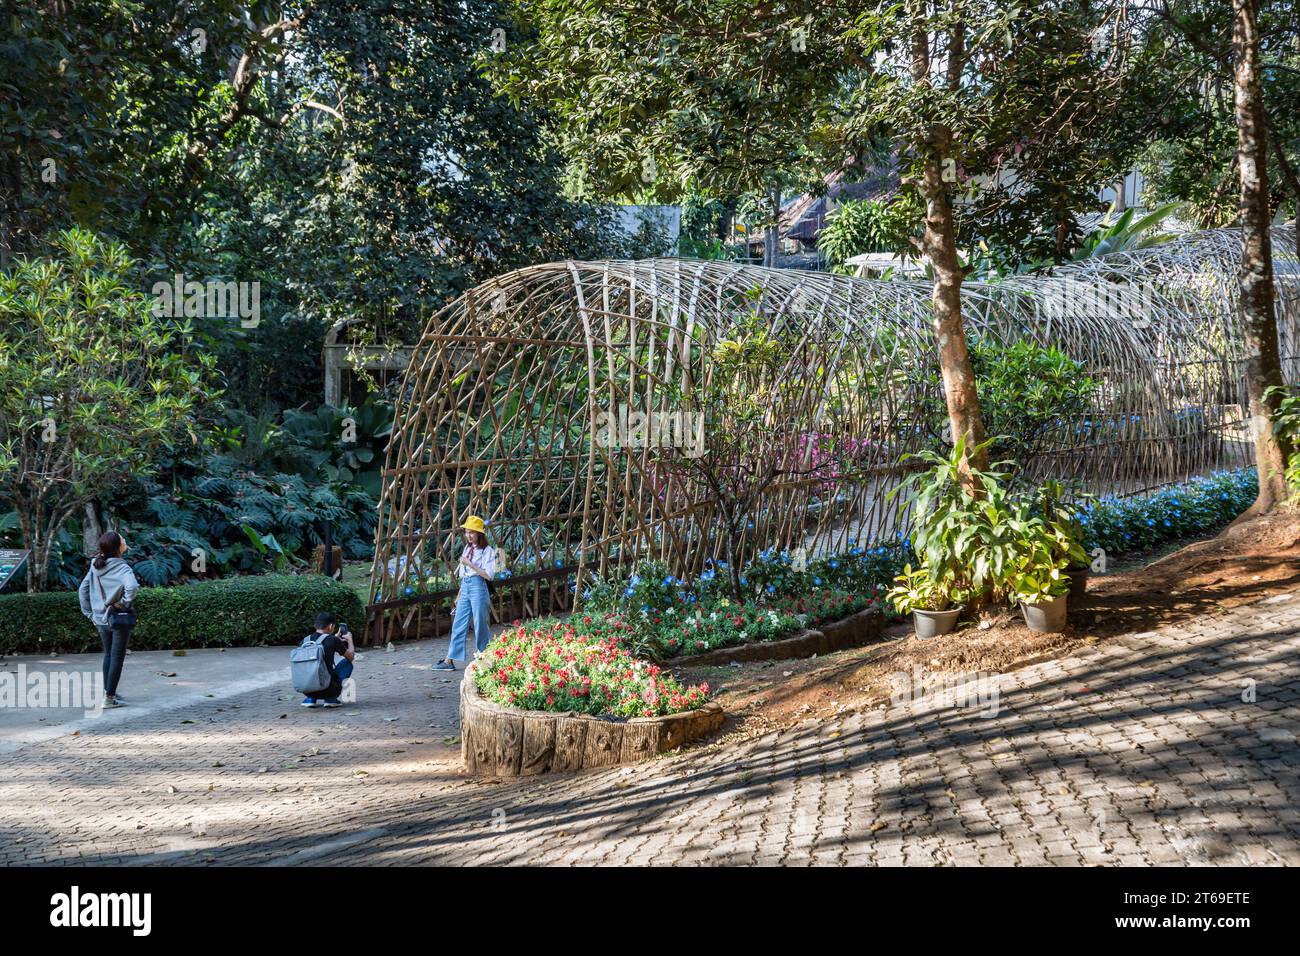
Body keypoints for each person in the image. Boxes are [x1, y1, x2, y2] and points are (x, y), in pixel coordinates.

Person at [77, 531, 140, 709]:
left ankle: (108, 692)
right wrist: (124, 603)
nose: (125, 540)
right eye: (122, 539)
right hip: (116, 618)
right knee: (117, 657)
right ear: (118, 547)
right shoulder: (122, 568)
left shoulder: (95, 565)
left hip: (100, 618)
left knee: (108, 654)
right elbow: (132, 587)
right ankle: (109, 698)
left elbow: (83, 590)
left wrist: (89, 613)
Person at [432, 515, 496, 671]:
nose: (468, 535)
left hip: (478, 587)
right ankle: (449, 660)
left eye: (472, 533)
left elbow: (489, 575)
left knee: (480, 623)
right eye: (467, 532)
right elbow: (465, 574)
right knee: (459, 623)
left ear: (480, 534)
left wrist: (470, 564)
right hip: (466, 587)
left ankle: (483, 658)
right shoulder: (468, 548)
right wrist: (459, 595)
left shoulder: (488, 551)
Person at [300, 612, 356, 708]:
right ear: (330, 626)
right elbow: (350, 657)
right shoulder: (333, 640)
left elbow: (323, 642)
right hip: (328, 688)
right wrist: (350, 640)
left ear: (315, 625)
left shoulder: (305, 641)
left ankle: (310, 699)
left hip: (306, 687)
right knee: (347, 663)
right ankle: (330, 698)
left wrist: (335, 638)